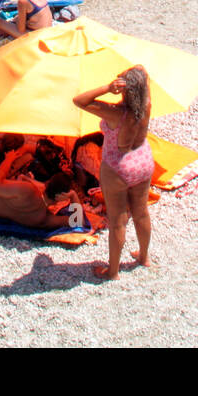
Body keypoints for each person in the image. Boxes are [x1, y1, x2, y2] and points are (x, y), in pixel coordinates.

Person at [74, 68, 154, 280]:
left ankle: (113, 271)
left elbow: (79, 100)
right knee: (141, 212)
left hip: (118, 165)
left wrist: (107, 88)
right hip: (143, 160)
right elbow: (143, 74)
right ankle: (143, 257)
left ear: (126, 89)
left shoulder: (115, 113)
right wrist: (133, 81)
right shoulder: (147, 105)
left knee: (118, 220)